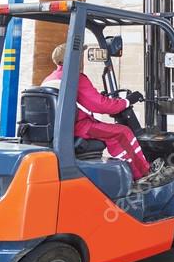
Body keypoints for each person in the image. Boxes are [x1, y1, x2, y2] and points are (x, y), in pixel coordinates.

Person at [42, 43, 156, 181]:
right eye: (81, 56)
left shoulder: (50, 78)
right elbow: (101, 106)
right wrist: (128, 101)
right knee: (123, 132)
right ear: (73, 58)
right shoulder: (74, 77)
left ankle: (131, 170)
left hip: (61, 129)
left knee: (112, 131)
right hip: (80, 128)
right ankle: (144, 174)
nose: (82, 59)